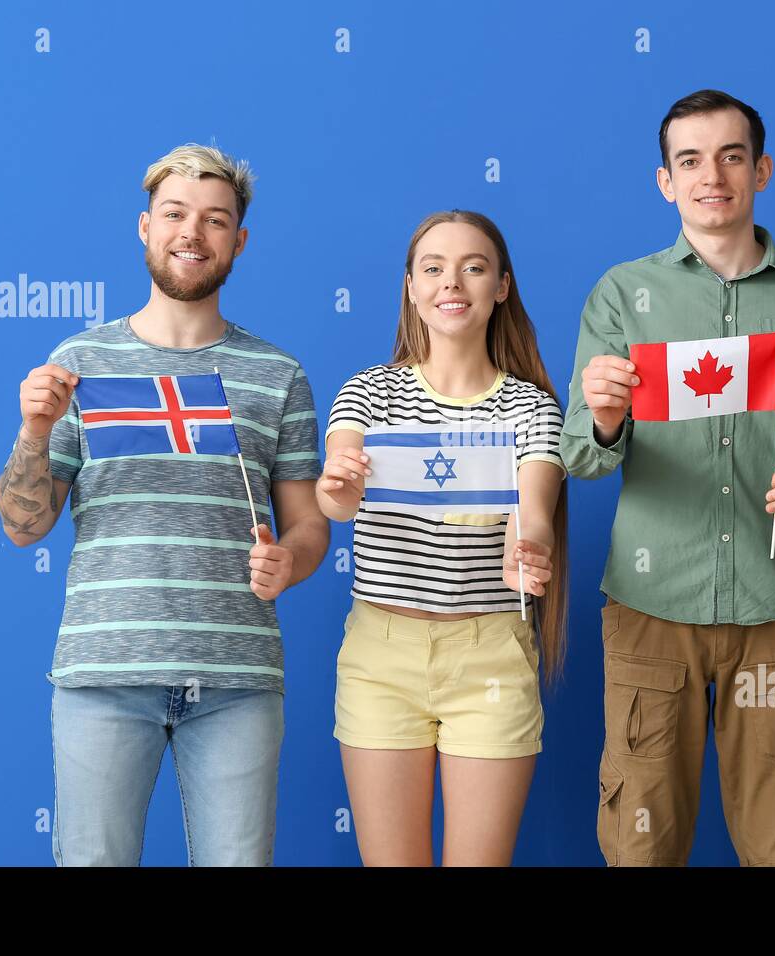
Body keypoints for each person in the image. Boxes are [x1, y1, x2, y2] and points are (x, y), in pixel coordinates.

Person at [561, 90, 775, 866]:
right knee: (640, 841)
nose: (711, 175)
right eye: (690, 160)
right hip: (651, 609)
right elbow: (580, 454)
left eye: (731, 156)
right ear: (664, 181)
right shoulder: (621, 295)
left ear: (763, 171)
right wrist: (606, 418)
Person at [0, 143, 328, 866]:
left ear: (238, 242)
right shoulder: (78, 362)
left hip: (238, 678)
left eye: (214, 220)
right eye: (174, 214)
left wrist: (289, 562)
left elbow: (309, 525)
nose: (191, 233)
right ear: (145, 227)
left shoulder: (278, 375)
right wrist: (32, 431)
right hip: (103, 675)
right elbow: (25, 525)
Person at [317, 210, 568, 866]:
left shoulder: (532, 408)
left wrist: (527, 553)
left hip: (490, 655)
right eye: (432, 268)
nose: (450, 282)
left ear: (501, 287)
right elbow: (335, 500)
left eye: (473, 267)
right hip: (381, 657)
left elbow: (533, 509)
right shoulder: (367, 395)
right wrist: (338, 483)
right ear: (411, 287)